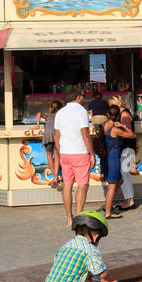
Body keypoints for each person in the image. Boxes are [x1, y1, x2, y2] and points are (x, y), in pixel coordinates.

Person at [55, 89, 95, 217]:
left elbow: (56, 135)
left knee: (67, 185)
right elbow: (85, 134)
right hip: (79, 152)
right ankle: (78, 215)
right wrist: (92, 153)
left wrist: (60, 149)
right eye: (83, 96)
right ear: (78, 97)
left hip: (65, 152)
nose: (84, 98)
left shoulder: (60, 112)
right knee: (82, 185)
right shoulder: (81, 111)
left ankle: (69, 217)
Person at [100, 104, 135, 219]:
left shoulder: (103, 125)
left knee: (119, 180)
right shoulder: (115, 129)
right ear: (118, 116)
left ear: (108, 114)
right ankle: (108, 212)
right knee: (112, 186)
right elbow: (132, 135)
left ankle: (108, 206)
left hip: (106, 158)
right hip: (113, 159)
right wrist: (123, 126)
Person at [116, 105, 138, 211]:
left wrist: (118, 129)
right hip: (128, 148)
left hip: (127, 148)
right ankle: (128, 199)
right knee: (125, 173)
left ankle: (129, 200)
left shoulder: (124, 115)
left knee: (125, 174)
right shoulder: (125, 113)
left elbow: (129, 133)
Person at [37, 100, 63, 186]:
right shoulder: (60, 116)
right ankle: (56, 176)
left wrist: (37, 126)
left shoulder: (48, 116)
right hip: (57, 136)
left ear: (51, 108)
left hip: (48, 136)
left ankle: (55, 176)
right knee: (56, 156)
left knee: (49, 155)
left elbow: (39, 113)